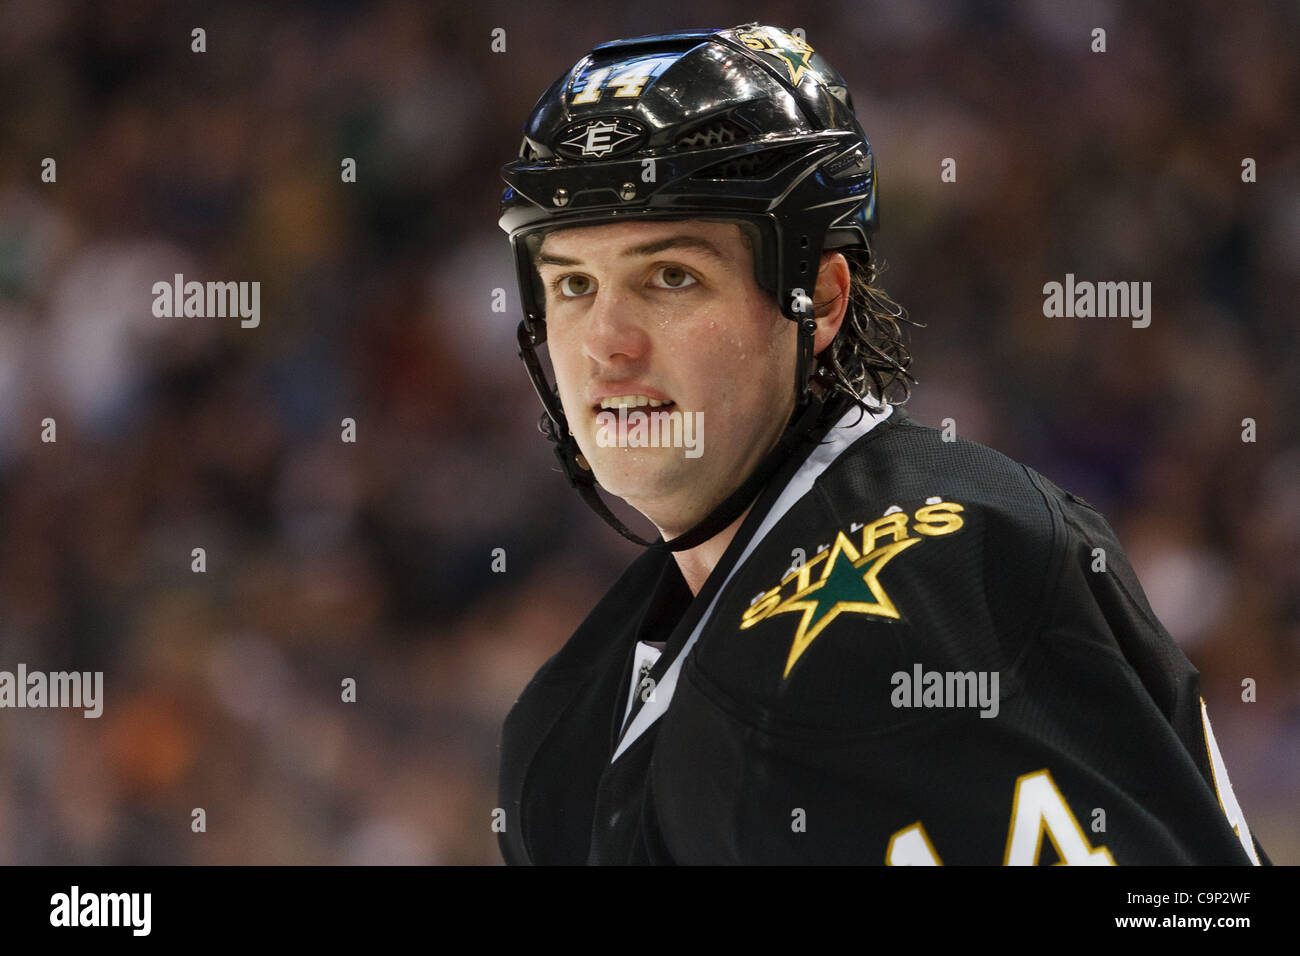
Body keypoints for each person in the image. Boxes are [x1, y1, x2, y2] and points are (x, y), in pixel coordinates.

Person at [494, 22, 1267, 865]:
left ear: (819, 301)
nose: (607, 343)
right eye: (572, 283)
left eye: (670, 276)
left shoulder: (952, 563)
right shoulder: (562, 726)